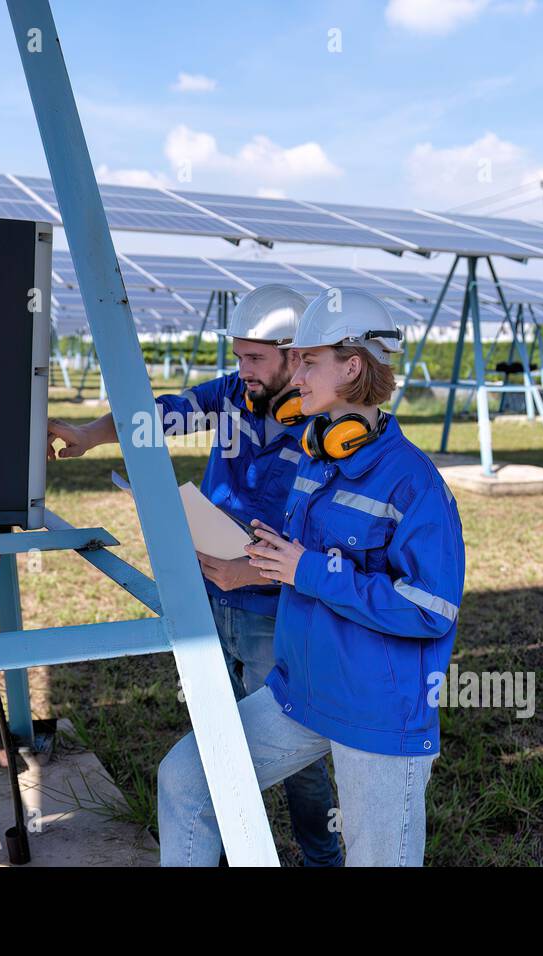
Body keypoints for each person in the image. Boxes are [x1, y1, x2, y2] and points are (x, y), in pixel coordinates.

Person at [156, 288, 466, 867]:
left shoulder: (415, 484)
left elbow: (431, 609)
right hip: (300, 689)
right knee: (185, 779)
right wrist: (271, 561)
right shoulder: (316, 457)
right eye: (294, 359)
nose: (294, 372)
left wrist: (310, 570)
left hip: (374, 712)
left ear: (352, 368)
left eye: (309, 361)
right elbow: (304, 566)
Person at [47, 284, 344, 867]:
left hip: (273, 610)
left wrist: (248, 571)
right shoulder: (235, 394)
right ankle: (239, 842)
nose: (243, 370)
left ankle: (322, 856)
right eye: (238, 356)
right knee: (222, 735)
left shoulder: (328, 428)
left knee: (293, 751)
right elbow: (158, 415)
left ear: (296, 354)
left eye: (255, 358)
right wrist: (89, 435)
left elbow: (329, 543)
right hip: (213, 596)